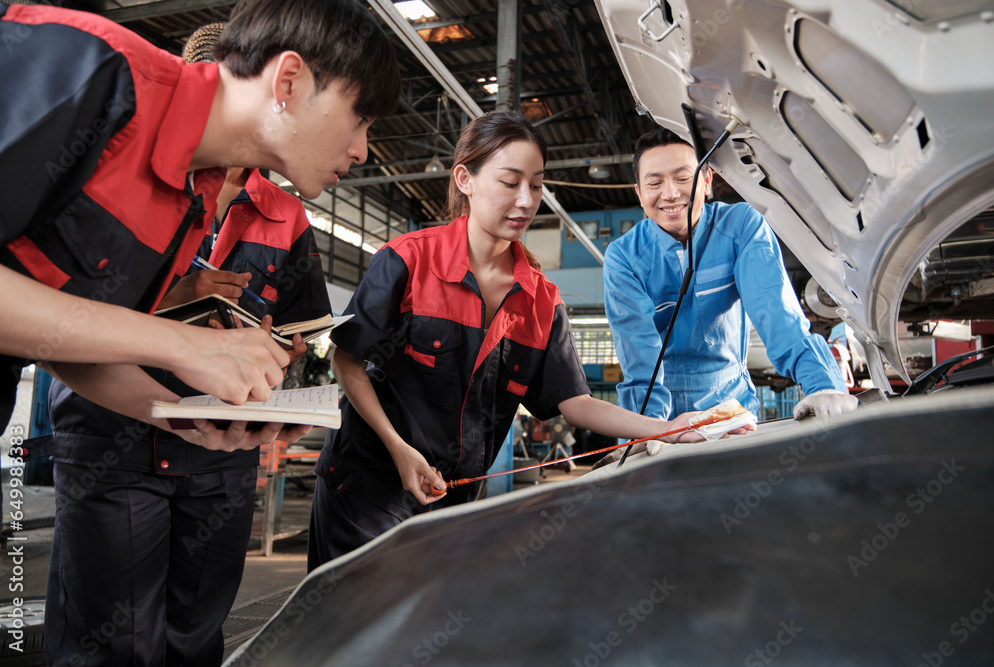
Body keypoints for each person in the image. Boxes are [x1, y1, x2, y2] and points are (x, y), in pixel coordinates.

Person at [307, 111, 753, 570]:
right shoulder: (407, 261)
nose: (525, 200)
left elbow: (577, 403)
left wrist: (671, 428)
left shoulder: (540, 301)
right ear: (465, 179)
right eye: (510, 182)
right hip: (366, 487)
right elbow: (346, 360)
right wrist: (398, 448)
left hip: (450, 500)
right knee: (350, 611)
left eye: (536, 185)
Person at [40, 22, 339, 665]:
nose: (359, 149)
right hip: (113, 438)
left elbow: (302, 324)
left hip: (217, 448)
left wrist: (273, 357)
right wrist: (173, 307)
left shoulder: (284, 214)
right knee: (110, 641)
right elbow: (60, 319)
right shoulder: (130, 158)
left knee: (195, 633)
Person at [603, 127, 858, 424]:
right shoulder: (623, 256)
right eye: (655, 183)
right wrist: (649, 427)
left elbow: (777, 312)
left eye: (683, 178)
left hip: (730, 408)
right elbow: (639, 358)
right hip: (659, 412)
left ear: (706, 180)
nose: (670, 194)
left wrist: (823, 384)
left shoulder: (742, 226)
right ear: (639, 193)